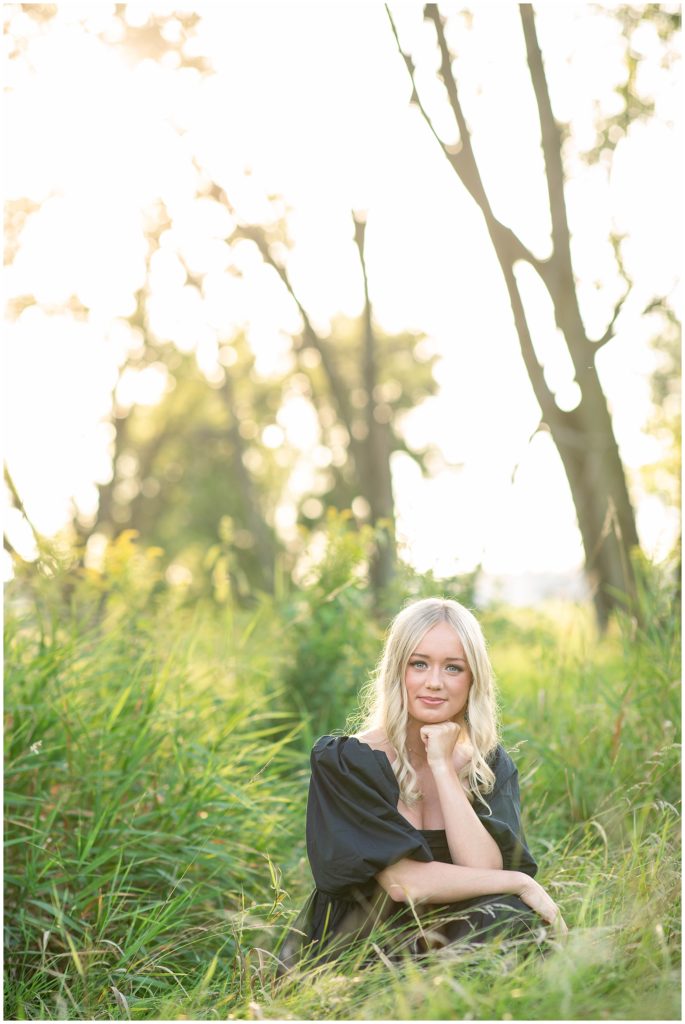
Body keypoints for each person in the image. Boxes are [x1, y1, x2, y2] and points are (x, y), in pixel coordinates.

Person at [276, 597, 567, 973]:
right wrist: (522, 883)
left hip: (448, 931)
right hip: (361, 941)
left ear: (473, 678)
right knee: (514, 897)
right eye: (419, 664)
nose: (434, 682)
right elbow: (403, 883)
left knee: (508, 914)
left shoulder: (488, 765)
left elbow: (484, 872)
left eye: (453, 668)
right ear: (398, 671)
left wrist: (444, 768)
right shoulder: (348, 762)